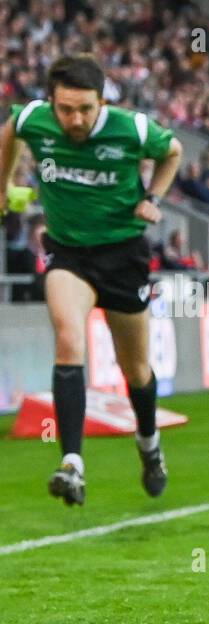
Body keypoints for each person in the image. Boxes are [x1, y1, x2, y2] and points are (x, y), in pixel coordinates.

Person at [0, 54, 182, 506]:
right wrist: (2, 186)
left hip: (124, 255)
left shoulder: (133, 130)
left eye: (85, 109)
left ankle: (149, 444)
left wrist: (152, 196)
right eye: (65, 109)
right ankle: (73, 464)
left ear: (102, 102)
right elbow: (11, 133)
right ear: (51, 102)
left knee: (134, 368)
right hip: (68, 253)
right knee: (68, 339)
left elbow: (173, 151)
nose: (75, 119)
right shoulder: (32, 119)